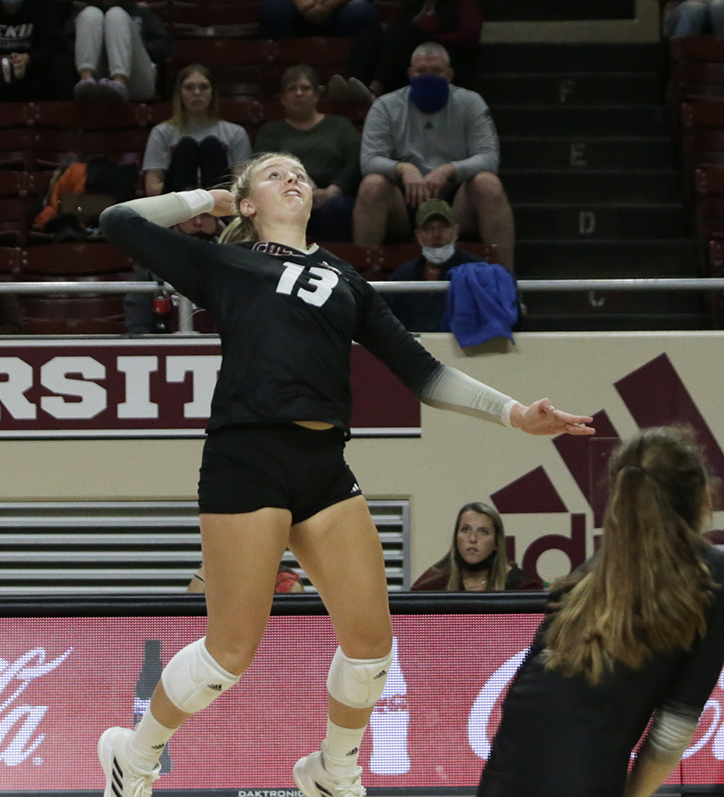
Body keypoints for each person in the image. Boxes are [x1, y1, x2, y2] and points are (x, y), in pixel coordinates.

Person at [93, 153, 593, 797]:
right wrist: (210, 201)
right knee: (228, 655)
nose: (292, 178)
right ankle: (134, 756)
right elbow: (119, 220)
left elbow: (423, 372)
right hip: (246, 459)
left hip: (323, 464)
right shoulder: (225, 263)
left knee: (371, 647)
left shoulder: (344, 279)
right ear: (247, 203)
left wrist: (516, 414)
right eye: (273, 174)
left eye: (299, 172)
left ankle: (334, 770)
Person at [475, 427, 724, 797]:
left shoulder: (593, 570)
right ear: (704, 497)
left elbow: (525, 692)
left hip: (504, 773)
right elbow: (672, 730)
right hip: (580, 779)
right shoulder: (719, 579)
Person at [355, 43, 514, 268]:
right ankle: (361, 282)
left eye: (437, 71)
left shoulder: (471, 102)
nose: (428, 77)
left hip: (455, 201)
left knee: (488, 183)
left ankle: (506, 279)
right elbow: (369, 160)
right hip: (404, 202)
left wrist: (448, 170)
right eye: (421, 71)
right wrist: (403, 169)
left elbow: (489, 157)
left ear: (449, 75)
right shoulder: (385, 106)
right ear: (410, 74)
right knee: (372, 185)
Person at [254, 66, 361, 242]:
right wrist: (300, 182)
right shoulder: (270, 131)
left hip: (334, 199)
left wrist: (333, 190)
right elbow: (263, 164)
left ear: (316, 95)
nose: (299, 93)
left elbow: (354, 163)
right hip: (286, 197)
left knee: (338, 208)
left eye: (305, 88)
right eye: (292, 89)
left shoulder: (341, 126)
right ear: (282, 98)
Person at [373, 0, 484, 94]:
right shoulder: (410, 6)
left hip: (449, 61)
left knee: (406, 31)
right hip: (410, 64)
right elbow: (392, 32)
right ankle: (358, 88)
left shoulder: (460, 1)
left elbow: (470, 34)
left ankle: (377, 87)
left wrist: (431, 37)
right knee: (370, 33)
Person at [140, 65, 252, 196]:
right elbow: (152, 189)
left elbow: (242, 188)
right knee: (187, 146)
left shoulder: (236, 133)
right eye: (189, 87)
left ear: (212, 92)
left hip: (220, 202)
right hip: (177, 202)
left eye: (204, 87)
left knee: (211, 146)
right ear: (179, 93)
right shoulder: (161, 133)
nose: (197, 92)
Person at [73, 0, 170, 103]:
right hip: (97, 79)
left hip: (136, 79)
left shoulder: (141, 12)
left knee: (116, 15)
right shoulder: (85, 13)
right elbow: (67, 44)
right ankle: (86, 79)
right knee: (91, 14)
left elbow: (164, 47)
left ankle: (119, 82)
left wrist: (127, 46)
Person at [384, 199, 483, 334]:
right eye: (428, 229)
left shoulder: (478, 272)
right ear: (418, 236)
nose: (436, 235)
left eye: (443, 227)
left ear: (456, 232)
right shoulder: (401, 278)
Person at [123, 210, 223, 335]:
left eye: (205, 215)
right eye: (190, 216)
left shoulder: (233, 258)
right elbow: (138, 325)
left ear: (217, 218)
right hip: (166, 344)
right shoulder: (152, 261)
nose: (198, 222)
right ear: (176, 220)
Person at [409, 501, 541, 591]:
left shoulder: (520, 587)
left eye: (483, 532)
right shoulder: (433, 583)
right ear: (456, 537)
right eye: (465, 530)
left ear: (496, 543)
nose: (472, 538)